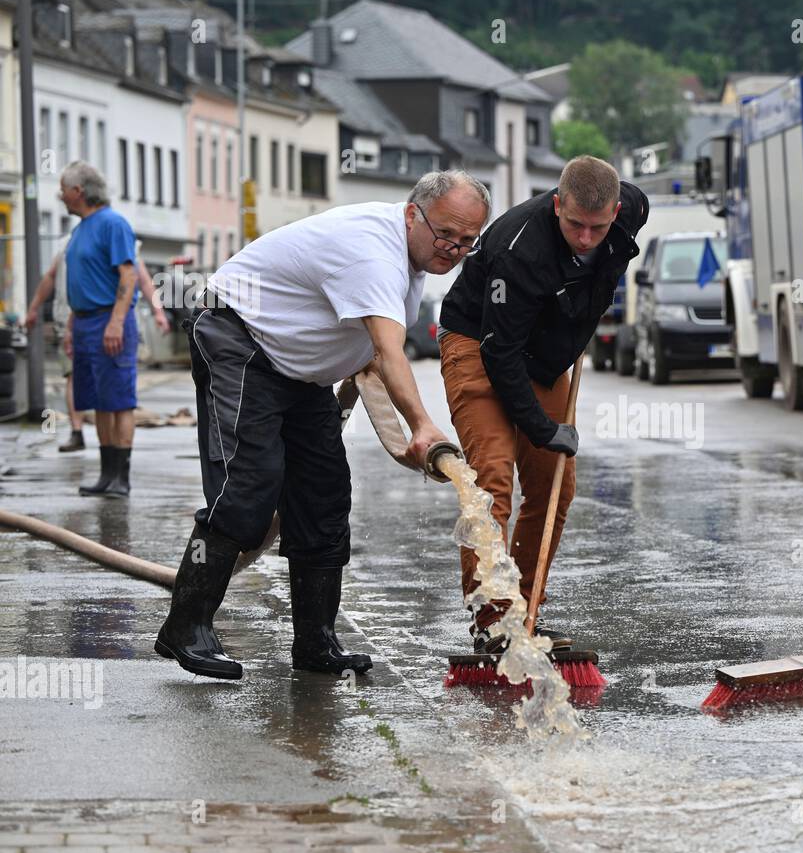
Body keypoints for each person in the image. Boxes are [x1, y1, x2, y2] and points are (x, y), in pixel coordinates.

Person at [155, 171, 488, 680]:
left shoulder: (413, 255)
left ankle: (316, 643)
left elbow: (370, 358)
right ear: (411, 213)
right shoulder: (371, 250)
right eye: (446, 234)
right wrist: (422, 425)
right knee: (249, 489)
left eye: (468, 240)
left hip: (298, 370)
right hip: (239, 338)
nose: (455, 249)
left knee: (324, 495)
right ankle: (185, 627)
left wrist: (403, 431)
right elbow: (386, 349)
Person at [438, 156, 649, 653]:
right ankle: (493, 622)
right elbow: (500, 352)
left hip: (548, 356)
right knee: (491, 480)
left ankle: (525, 612)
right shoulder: (520, 248)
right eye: (574, 223)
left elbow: (628, 205)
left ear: (617, 211)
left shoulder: (629, 209)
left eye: (598, 227)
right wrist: (540, 426)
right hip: (480, 344)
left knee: (554, 484)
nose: (585, 237)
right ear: (557, 204)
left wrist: (547, 433)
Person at [26, 231, 169, 452]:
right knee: (78, 380)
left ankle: (114, 464)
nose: (62, 196)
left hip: (109, 321)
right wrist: (36, 308)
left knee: (112, 392)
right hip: (73, 318)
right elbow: (52, 277)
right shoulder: (69, 242)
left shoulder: (115, 236)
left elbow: (139, 278)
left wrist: (156, 313)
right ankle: (82, 437)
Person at [55, 162, 146, 495]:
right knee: (97, 400)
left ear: (78, 192)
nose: (60, 194)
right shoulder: (79, 230)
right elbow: (79, 284)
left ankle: (122, 478)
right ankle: (107, 474)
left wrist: (117, 322)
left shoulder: (113, 224)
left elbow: (129, 275)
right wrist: (70, 326)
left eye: (63, 188)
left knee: (119, 399)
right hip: (83, 322)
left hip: (109, 321)